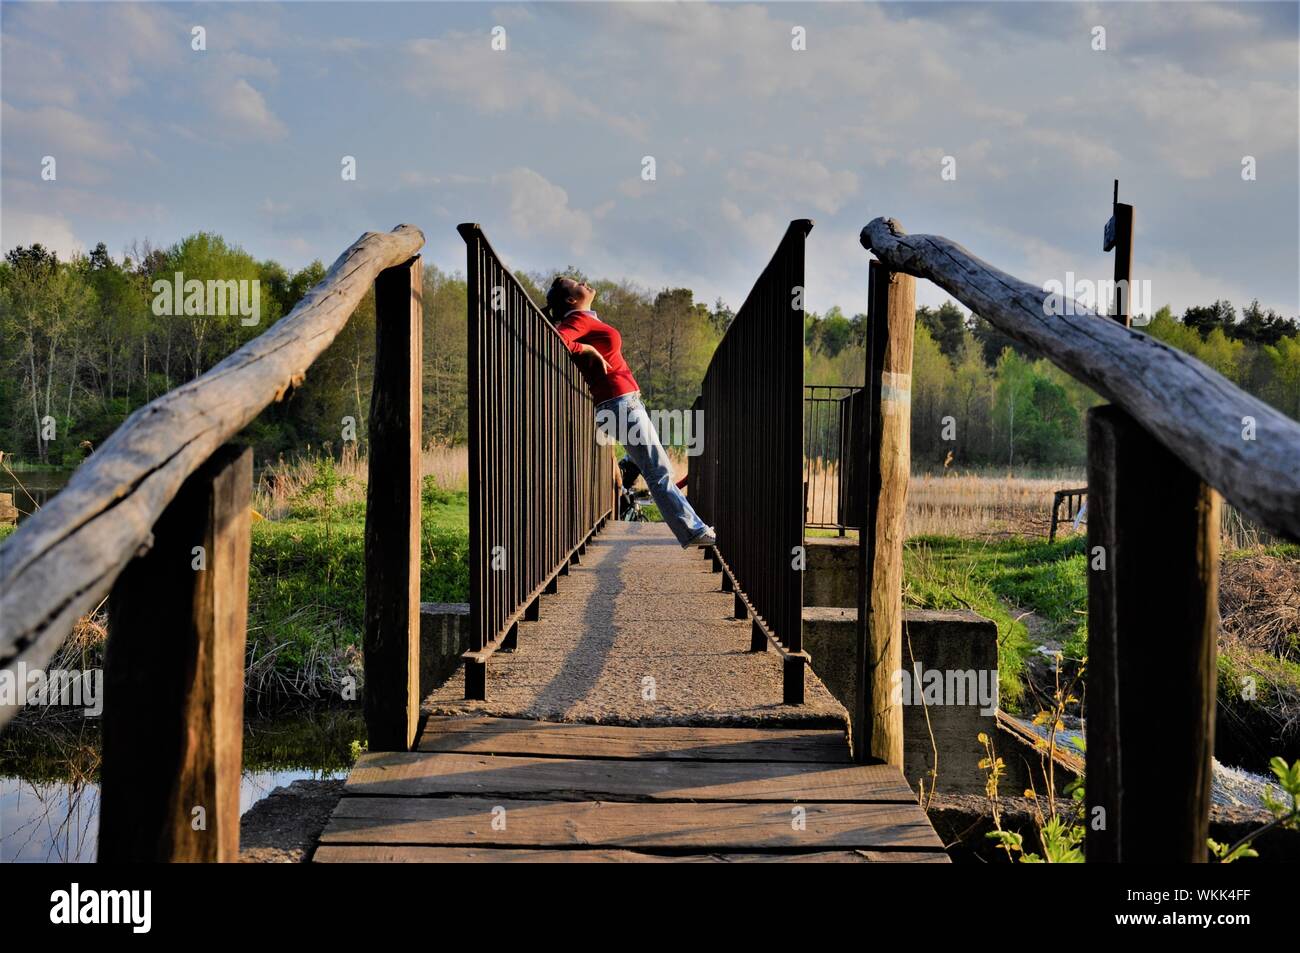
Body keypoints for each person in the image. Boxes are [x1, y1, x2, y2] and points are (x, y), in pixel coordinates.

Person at [543, 275, 716, 548]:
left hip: (625, 402)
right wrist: (584, 348)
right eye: (576, 283)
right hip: (618, 403)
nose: (583, 282)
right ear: (571, 300)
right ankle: (694, 532)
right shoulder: (578, 320)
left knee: (659, 468)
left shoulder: (588, 318)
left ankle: (693, 528)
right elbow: (554, 340)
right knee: (658, 471)